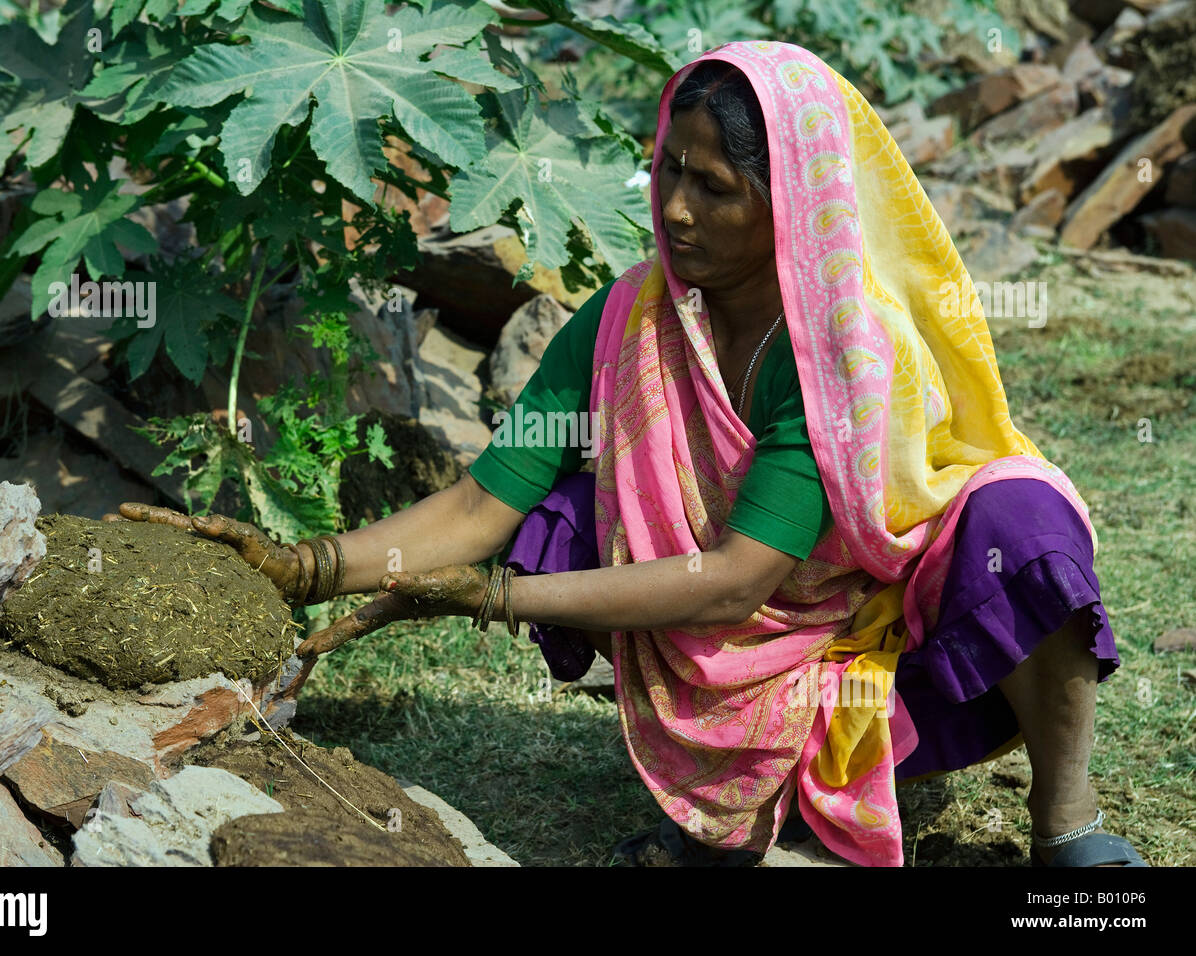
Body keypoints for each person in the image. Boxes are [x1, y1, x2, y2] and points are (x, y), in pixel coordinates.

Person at [110, 41, 1146, 867]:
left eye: (714, 187)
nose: (676, 209)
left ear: (786, 201)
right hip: (722, 626)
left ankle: (1065, 821)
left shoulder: (839, 351)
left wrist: (489, 599)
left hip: (903, 645)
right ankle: (741, 786)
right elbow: (482, 502)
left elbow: (738, 580)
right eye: (668, 173)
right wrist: (308, 567)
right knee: (562, 510)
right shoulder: (626, 321)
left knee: (1023, 524)